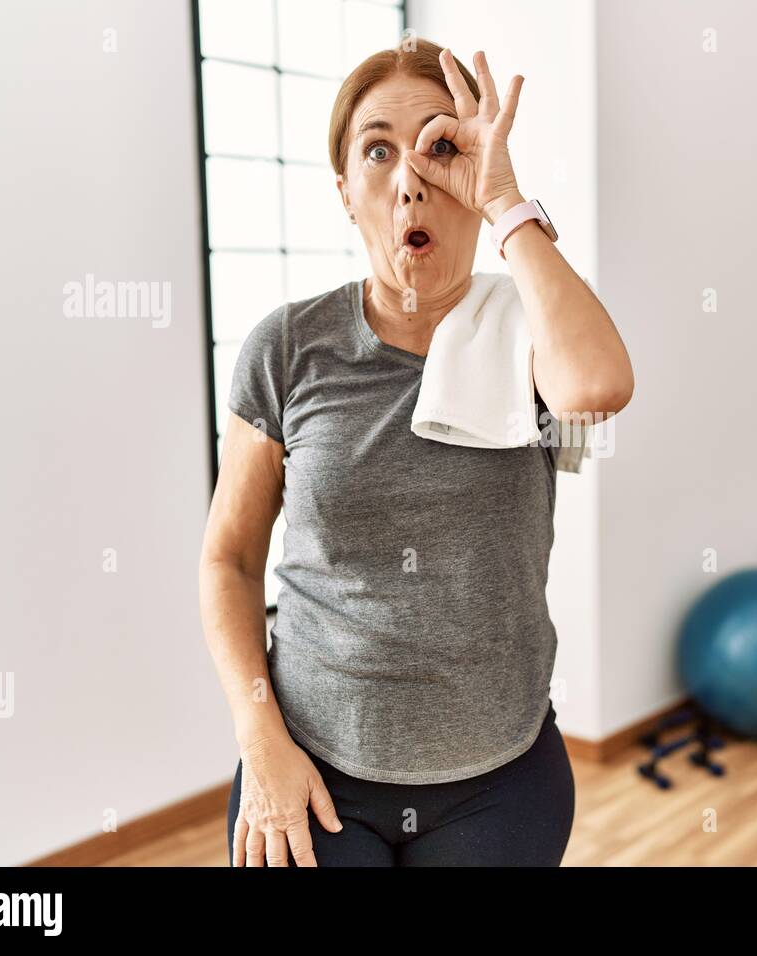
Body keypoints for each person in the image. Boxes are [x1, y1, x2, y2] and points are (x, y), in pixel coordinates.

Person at [197, 38, 634, 866]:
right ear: (348, 194)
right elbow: (229, 557)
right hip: (312, 769)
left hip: (500, 778)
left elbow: (598, 387)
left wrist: (506, 201)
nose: (409, 179)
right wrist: (261, 739)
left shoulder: (531, 334)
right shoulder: (288, 347)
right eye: (378, 151)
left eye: (440, 146)